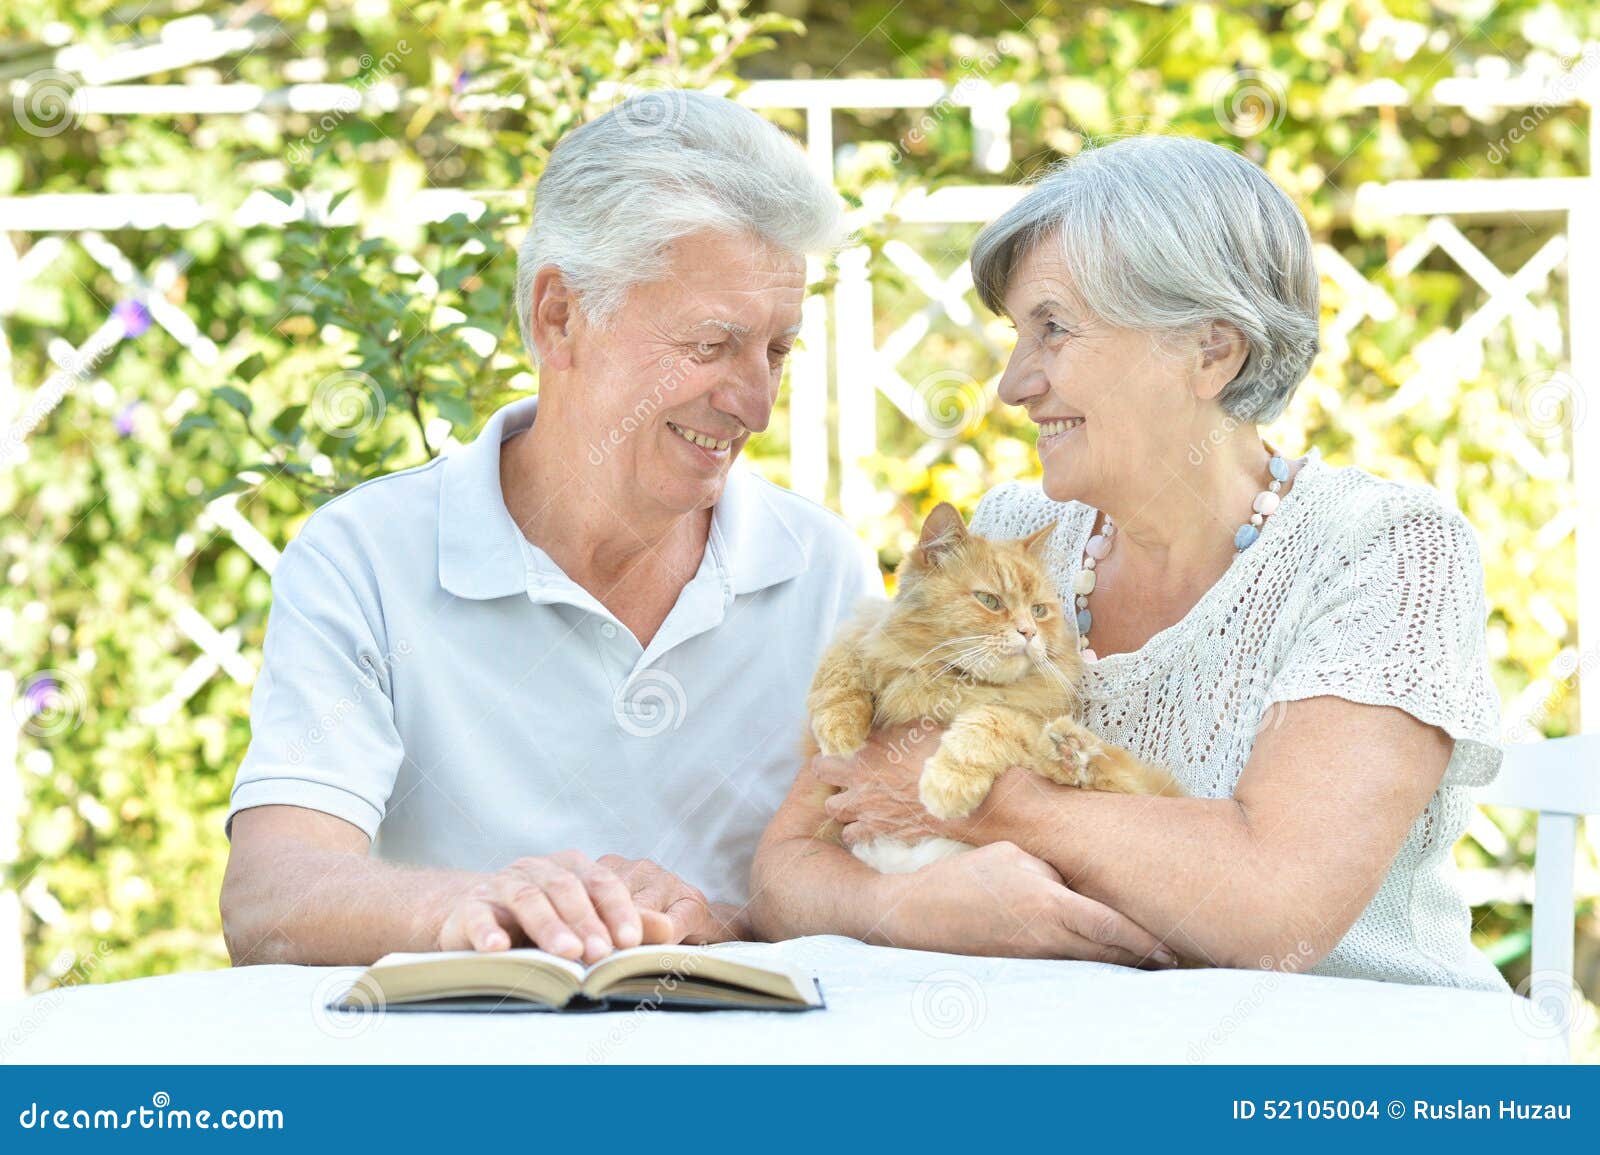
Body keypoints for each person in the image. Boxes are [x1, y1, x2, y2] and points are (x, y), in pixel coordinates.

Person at [750, 136, 1507, 990]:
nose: (1012, 383)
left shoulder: (1383, 548)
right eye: (1018, 335)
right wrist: (901, 906)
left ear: (1212, 352)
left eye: (1054, 329)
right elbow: (787, 869)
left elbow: (1275, 905)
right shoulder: (1016, 543)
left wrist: (996, 805)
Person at [220, 91, 881, 967]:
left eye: (776, 351)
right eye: (711, 344)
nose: (754, 403)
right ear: (559, 316)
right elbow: (270, 897)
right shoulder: (366, 558)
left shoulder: (822, 572)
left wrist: (724, 921)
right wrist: (491, 906)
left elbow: (880, 877)